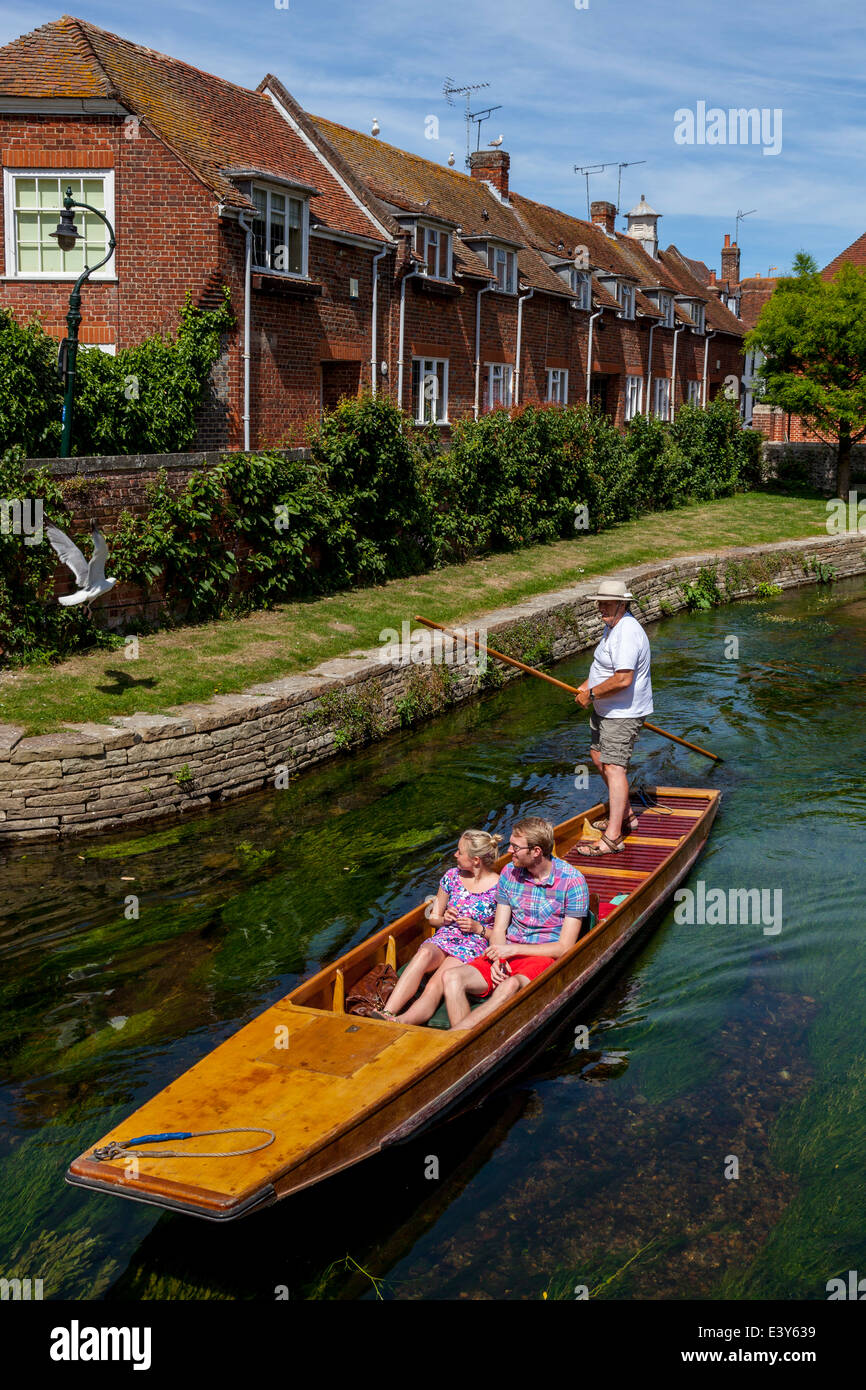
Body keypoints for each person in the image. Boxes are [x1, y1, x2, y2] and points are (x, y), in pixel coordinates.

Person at [443, 817, 588, 1030]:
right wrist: (498, 958)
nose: (509, 851)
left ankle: (455, 1039)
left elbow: (564, 948)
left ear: (536, 851)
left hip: (542, 956)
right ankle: (467, 1045)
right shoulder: (509, 874)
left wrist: (511, 950)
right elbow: (500, 928)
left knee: (510, 985)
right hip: (506, 952)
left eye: (515, 847)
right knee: (452, 977)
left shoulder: (572, 882)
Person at [380, 830, 502, 1026]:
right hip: (445, 936)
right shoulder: (452, 877)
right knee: (423, 953)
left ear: (476, 860)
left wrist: (478, 928)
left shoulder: (500, 887)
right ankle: (386, 1013)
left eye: (459, 852)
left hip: (474, 944)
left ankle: (401, 1021)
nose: (455, 855)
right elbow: (433, 918)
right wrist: (444, 918)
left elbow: (500, 934)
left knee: (438, 981)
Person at [573, 578, 653, 855]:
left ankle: (614, 837)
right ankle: (627, 814)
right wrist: (587, 685)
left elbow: (622, 679)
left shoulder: (627, 632)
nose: (600, 608)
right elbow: (604, 667)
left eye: (606, 603)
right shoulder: (612, 627)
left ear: (622, 604)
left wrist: (592, 693)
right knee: (598, 757)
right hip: (604, 709)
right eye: (599, 602)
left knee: (615, 767)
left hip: (622, 713)